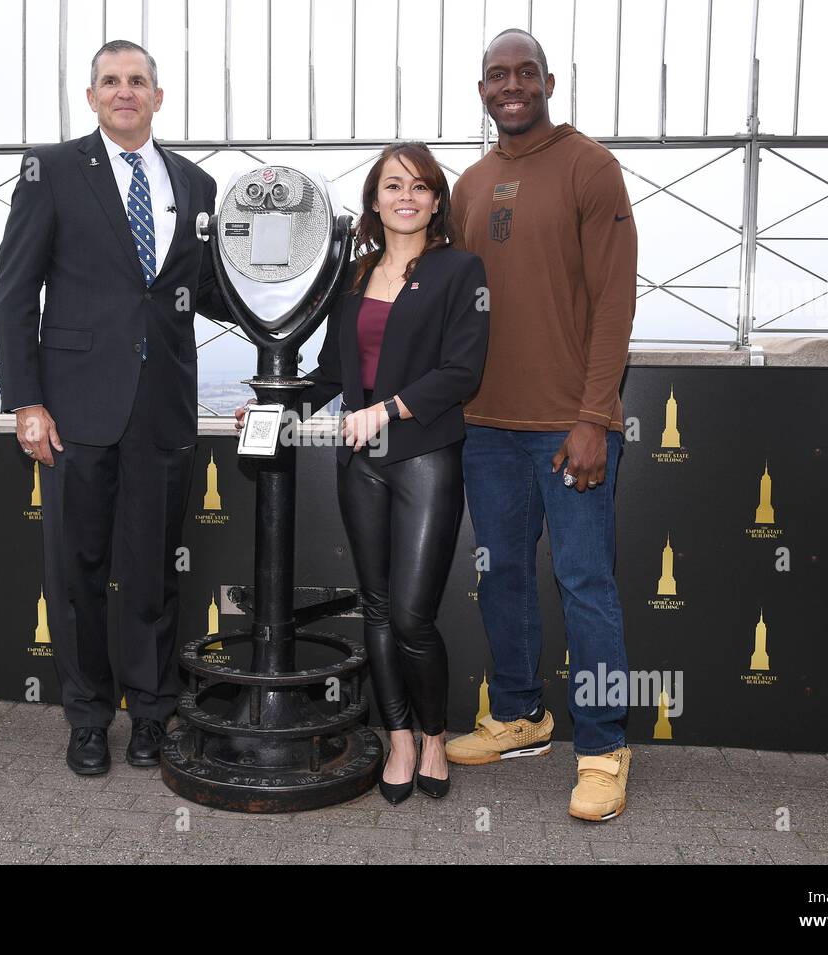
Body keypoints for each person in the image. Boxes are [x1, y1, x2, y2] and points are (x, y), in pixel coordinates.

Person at [0, 40, 222, 775]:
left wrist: (292, 287)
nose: (125, 92)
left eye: (139, 82)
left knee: (154, 576)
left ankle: (152, 715)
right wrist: (26, 400)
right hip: (74, 411)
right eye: (111, 82)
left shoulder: (197, 185)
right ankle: (89, 719)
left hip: (161, 412)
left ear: (160, 96)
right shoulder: (51, 170)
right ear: (90, 96)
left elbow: (210, 292)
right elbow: (14, 292)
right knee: (78, 574)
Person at [236, 143, 489, 805]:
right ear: (374, 201)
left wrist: (388, 409)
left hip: (425, 454)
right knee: (376, 609)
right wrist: (273, 406)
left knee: (411, 615)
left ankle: (435, 733)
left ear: (437, 201)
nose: (406, 196)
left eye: (421, 186)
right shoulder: (354, 275)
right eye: (393, 185)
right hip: (360, 464)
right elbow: (332, 375)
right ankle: (399, 736)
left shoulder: (461, 271)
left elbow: (462, 371)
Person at [444, 29, 639, 823]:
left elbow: (616, 300)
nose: (512, 85)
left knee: (586, 586)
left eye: (525, 72)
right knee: (505, 577)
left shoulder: (591, 166)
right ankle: (521, 714)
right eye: (498, 75)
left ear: (549, 81)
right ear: (483, 88)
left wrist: (594, 415)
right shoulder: (468, 182)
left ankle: (602, 748)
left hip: (570, 427)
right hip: (485, 427)